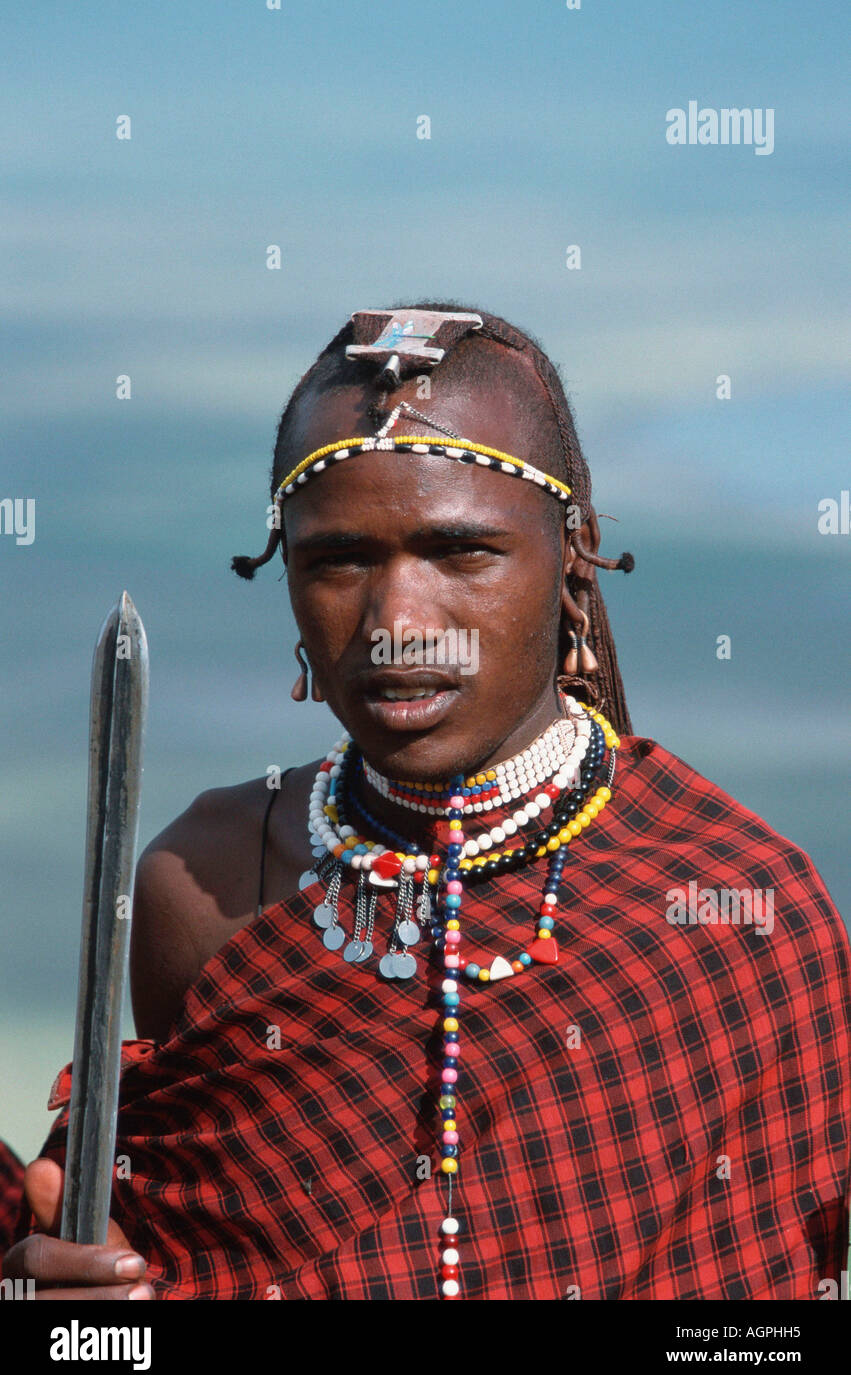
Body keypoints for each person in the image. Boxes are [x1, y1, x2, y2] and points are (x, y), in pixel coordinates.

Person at [2, 302, 849, 1301]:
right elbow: (135, 1248)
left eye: (460, 553)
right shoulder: (207, 885)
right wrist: (86, 1309)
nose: (397, 624)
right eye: (338, 561)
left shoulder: (733, 908)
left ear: (569, 568)